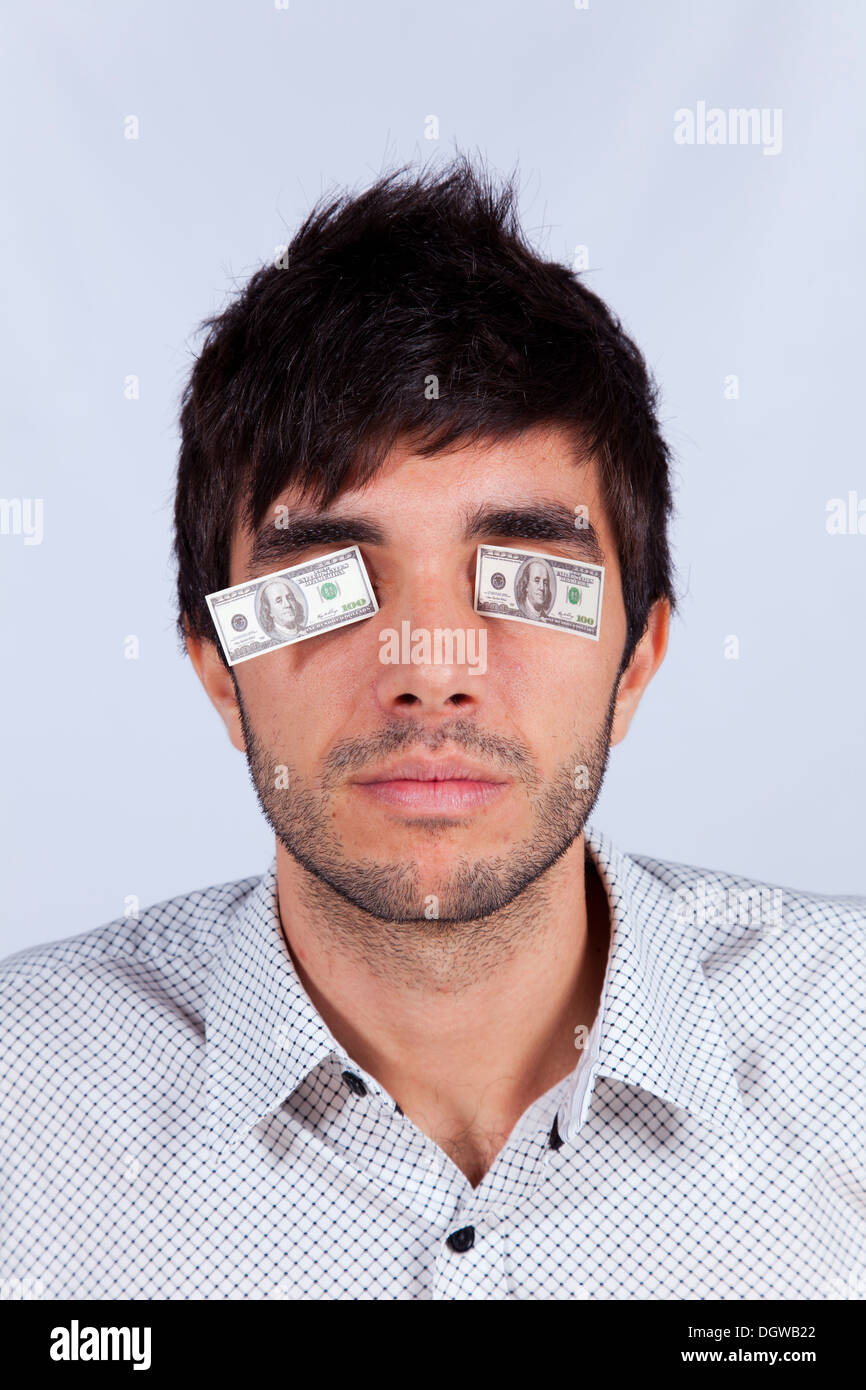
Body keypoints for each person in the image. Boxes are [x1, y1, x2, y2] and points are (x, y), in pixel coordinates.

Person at [1, 157, 862, 1301]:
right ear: (219, 671)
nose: (428, 672)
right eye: (329, 583)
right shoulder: (26, 1110)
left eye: (515, 580)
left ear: (634, 662)